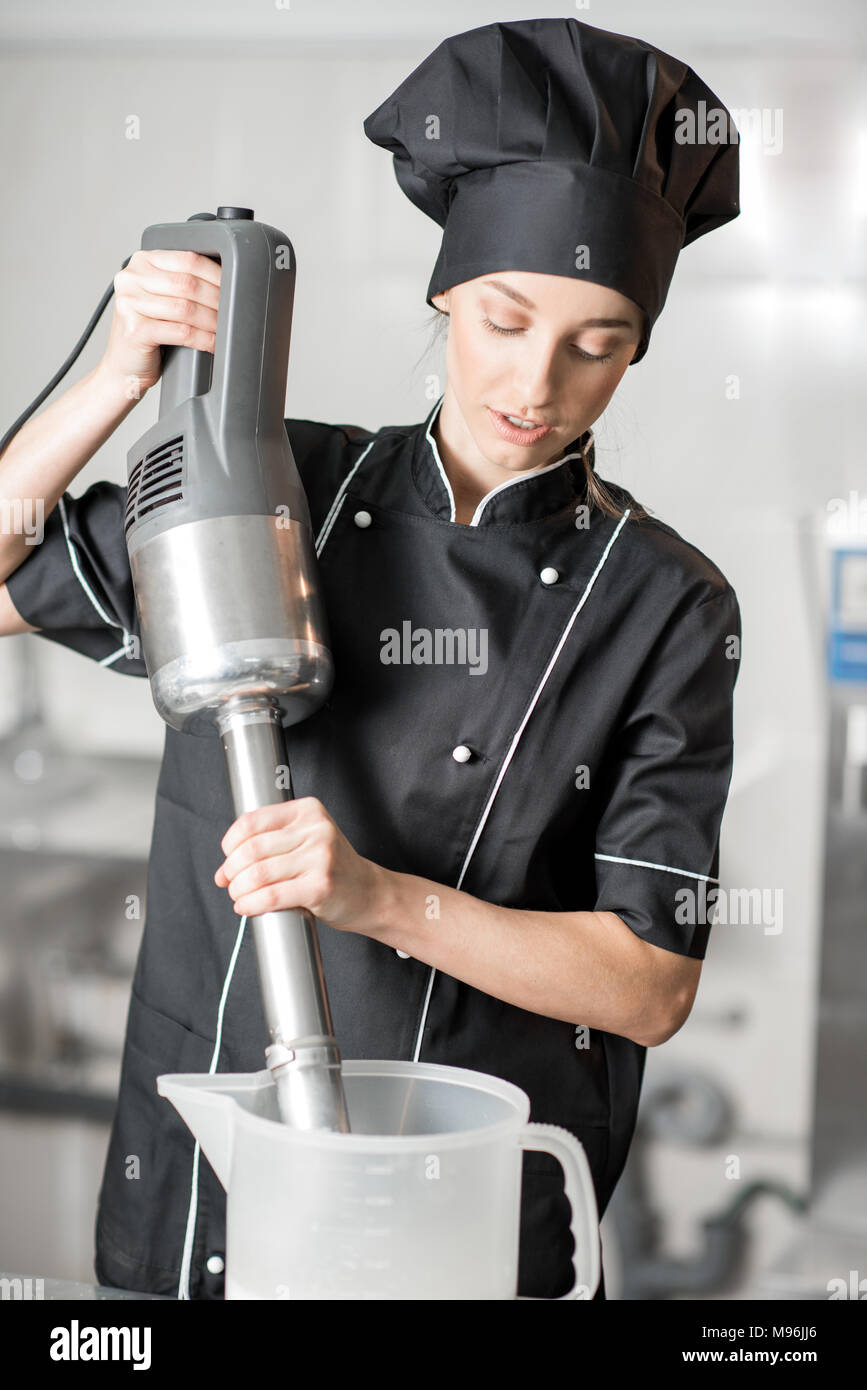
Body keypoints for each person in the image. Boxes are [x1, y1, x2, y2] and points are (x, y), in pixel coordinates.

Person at [0, 17, 742, 1300]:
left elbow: (649, 985)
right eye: (505, 317)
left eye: (597, 343)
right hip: (202, 1204)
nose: (537, 381)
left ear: (638, 347)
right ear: (447, 291)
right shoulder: (269, 488)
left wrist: (376, 897)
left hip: (466, 1220)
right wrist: (111, 380)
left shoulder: (667, 605)